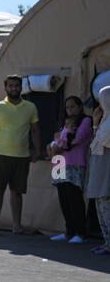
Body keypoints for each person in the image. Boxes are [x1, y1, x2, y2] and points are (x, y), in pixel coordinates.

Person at [0, 75, 41, 233]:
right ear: (5, 87)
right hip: (0, 155)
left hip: (22, 156)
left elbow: (35, 130)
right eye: (11, 86)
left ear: (21, 87)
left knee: (17, 192)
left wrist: (37, 150)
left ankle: (16, 225)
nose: (14, 88)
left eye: (17, 85)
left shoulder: (30, 107)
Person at [47, 95, 94, 243]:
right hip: (59, 162)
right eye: (67, 107)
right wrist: (59, 140)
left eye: (73, 106)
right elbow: (56, 140)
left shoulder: (86, 121)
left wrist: (60, 140)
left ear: (80, 107)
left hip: (74, 163)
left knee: (75, 197)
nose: (70, 110)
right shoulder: (65, 122)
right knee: (63, 197)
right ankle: (69, 231)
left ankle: (80, 232)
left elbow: (75, 140)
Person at [88, 87, 110, 256]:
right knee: (100, 203)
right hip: (100, 165)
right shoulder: (105, 119)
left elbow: (102, 140)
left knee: (105, 203)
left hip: (105, 167)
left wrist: (95, 123)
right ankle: (106, 241)